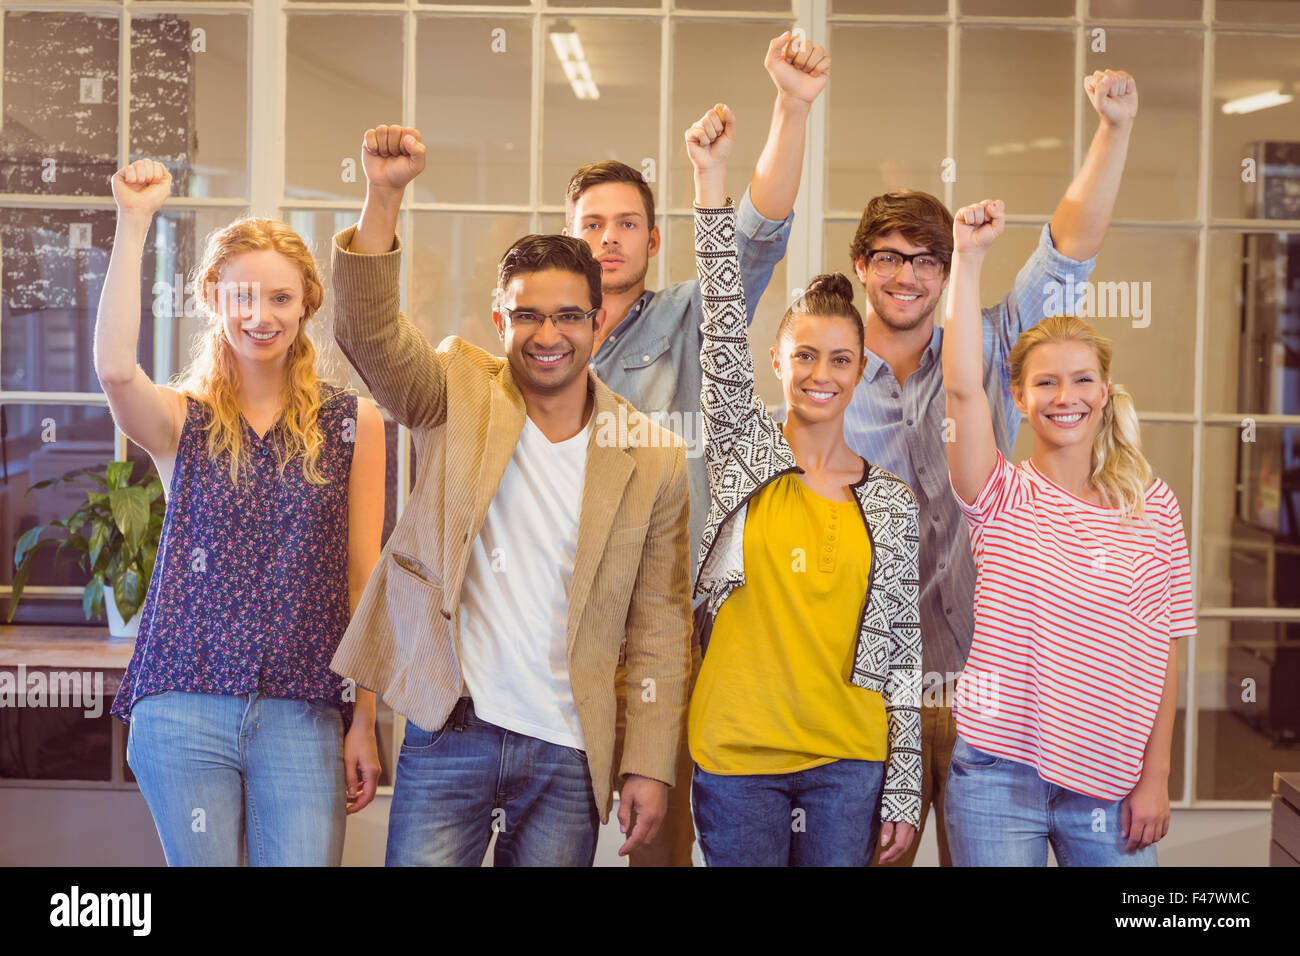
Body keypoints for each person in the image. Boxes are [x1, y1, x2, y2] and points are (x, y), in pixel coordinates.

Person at [327, 125, 694, 867]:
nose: (546, 333)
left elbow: (659, 623)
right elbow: (366, 335)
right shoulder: (455, 388)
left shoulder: (652, 455)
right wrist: (384, 194)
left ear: (597, 321)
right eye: (526, 314)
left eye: (567, 315)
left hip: (566, 747)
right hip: (449, 727)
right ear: (501, 321)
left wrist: (650, 762)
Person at [839, 70, 1141, 867]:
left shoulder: (993, 351)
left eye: (927, 261)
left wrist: (1113, 130)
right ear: (860, 265)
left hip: (995, 687)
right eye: (890, 259)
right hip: (870, 687)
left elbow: (1069, 250)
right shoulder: (824, 376)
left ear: (947, 271)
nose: (908, 277)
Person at [568, 29, 830, 868]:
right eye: (593, 225)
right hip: (562, 622)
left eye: (628, 225)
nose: (609, 238)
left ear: (653, 240)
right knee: (554, 835)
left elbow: (758, 230)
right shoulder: (537, 344)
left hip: (671, 623)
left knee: (659, 846)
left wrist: (789, 108)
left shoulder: (691, 318)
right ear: (571, 239)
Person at [101, 159, 386, 866]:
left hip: (304, 709)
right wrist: (134, 221)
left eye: (281, 298)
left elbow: (364, 580)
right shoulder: (180, 420)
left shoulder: (356, 422)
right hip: (183, 705)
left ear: (306, 304)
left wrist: (367, 720)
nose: (261, 316)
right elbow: (112, 370)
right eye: (244, 297)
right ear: (214, 300)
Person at [685, 105, 921, 866]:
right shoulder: (743, 451)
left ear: (861, 371)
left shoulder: (886, 500)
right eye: (805, 357)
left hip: (847, 762)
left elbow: (903, 654)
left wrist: (905, 790)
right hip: (736, 755)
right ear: (778, 365)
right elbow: (721, 321)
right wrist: (710, 178)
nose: (822, 374)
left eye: (841, 360)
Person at [940, 197, 1192, 866]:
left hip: (1113, 783)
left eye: (1082, 380)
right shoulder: (998, 494)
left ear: (1105, 391)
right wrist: (966, 262)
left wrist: (1157, 775)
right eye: (1044, 383)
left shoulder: (1154, 506)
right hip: (997, 775)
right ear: (1018, 397)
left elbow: (1164, 649)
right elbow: (963, 391)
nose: (1065, 396)